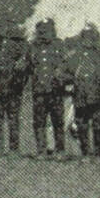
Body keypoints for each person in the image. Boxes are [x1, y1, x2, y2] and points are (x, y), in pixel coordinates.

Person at [63, 24, 100, 159]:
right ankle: (85, 153)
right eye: (86, 37)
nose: (88, 40)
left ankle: (98, 154)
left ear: (95, 38)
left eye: (91, 37)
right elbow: (65, 74)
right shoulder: (74, 56)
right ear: (82, 38)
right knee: (82, 125)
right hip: (80, 95)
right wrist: (71, 82)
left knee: (98, 125)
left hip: (96, 95)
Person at [0, 21, 28, 156]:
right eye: (0, 27)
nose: (2, 30)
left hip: (13, 86)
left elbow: (25, 63)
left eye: (5, 27)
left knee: (13, 118)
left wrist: (20, 69)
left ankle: (14, 149)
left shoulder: (18, 45)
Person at [29, 18, 70, 158]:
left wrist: (61, 75)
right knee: (39, 122)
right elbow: (28, 66)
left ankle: (60, 151)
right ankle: (41, 151)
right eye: (42, 31)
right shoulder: (33, 47)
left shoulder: (59, 45)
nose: (44, 34)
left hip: (56, 91)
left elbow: (66, 64)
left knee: (58, 121)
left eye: (47, 31)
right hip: (39, 90)